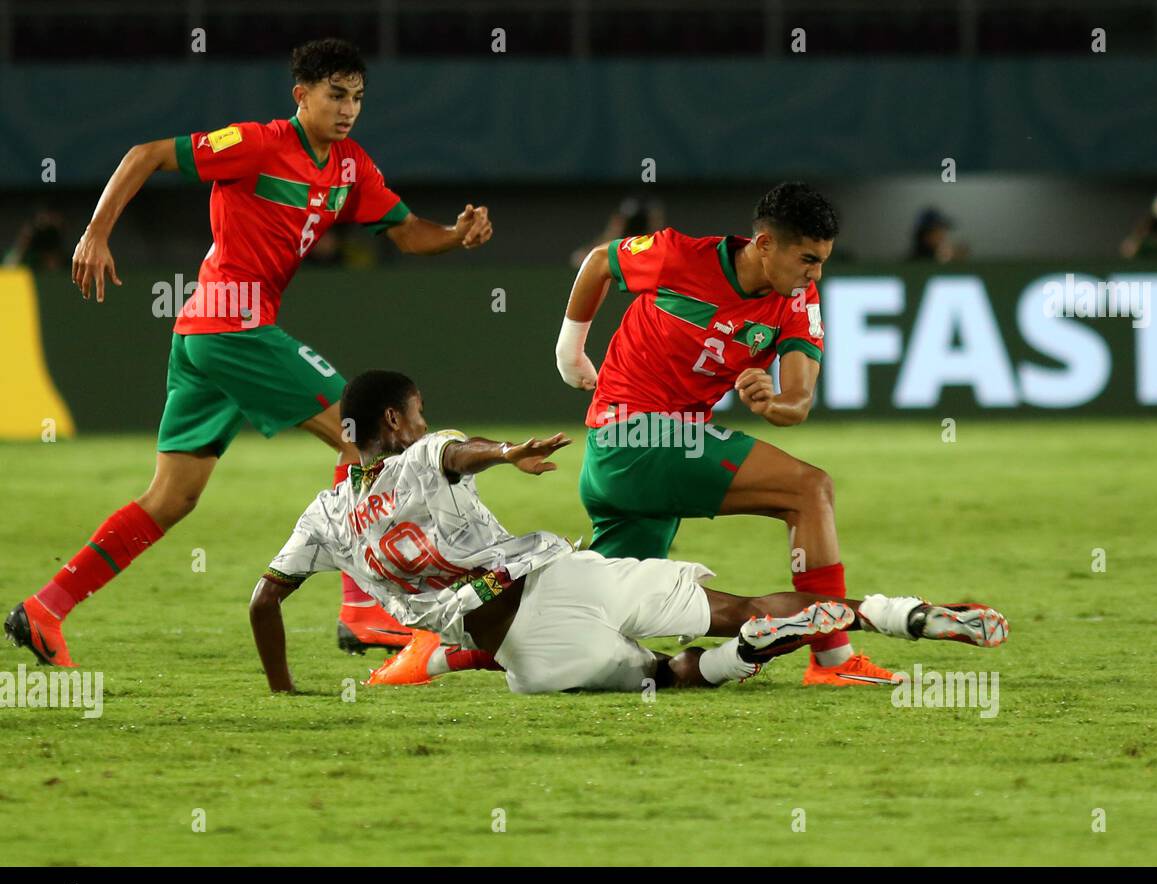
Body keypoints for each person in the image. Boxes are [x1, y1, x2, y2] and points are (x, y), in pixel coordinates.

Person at [4, 38, 493, 668]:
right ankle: (361, 611)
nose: (347, 110)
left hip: (206, 338)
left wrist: (457, 235)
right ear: (301, 96)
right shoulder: (257, 144)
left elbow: (406, 232)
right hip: (229, 326)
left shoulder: (350, 168)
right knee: (363, 432)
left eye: (357, 98)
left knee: (171, 498)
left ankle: (45, 608)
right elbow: (145, 154)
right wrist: (95, 232)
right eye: (335, 95)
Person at [249, 370, 1009, 694]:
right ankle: (896, 615)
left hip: (531, 655)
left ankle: (733, 662)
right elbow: (454, 451)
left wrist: (285, 689)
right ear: (394, 420)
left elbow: (263, 603)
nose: (419, 420)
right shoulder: (422, 453)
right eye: (413, 410)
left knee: (665, 681)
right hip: (565, 578)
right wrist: (508, 453)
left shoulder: (321, 520)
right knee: (742, 605)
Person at [553, 182, 904, 687]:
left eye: (822, 260)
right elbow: (599, 262)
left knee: (583, 609)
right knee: (810, 489)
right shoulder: (678, 256)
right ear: (764, 245)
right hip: (634, 437)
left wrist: (770, 401)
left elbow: (798, 401)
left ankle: (447, 649)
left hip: (648, 459)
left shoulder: (797, 299)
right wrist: (571, 352)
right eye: (807, 258)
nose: (815, 273)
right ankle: (833, 660)